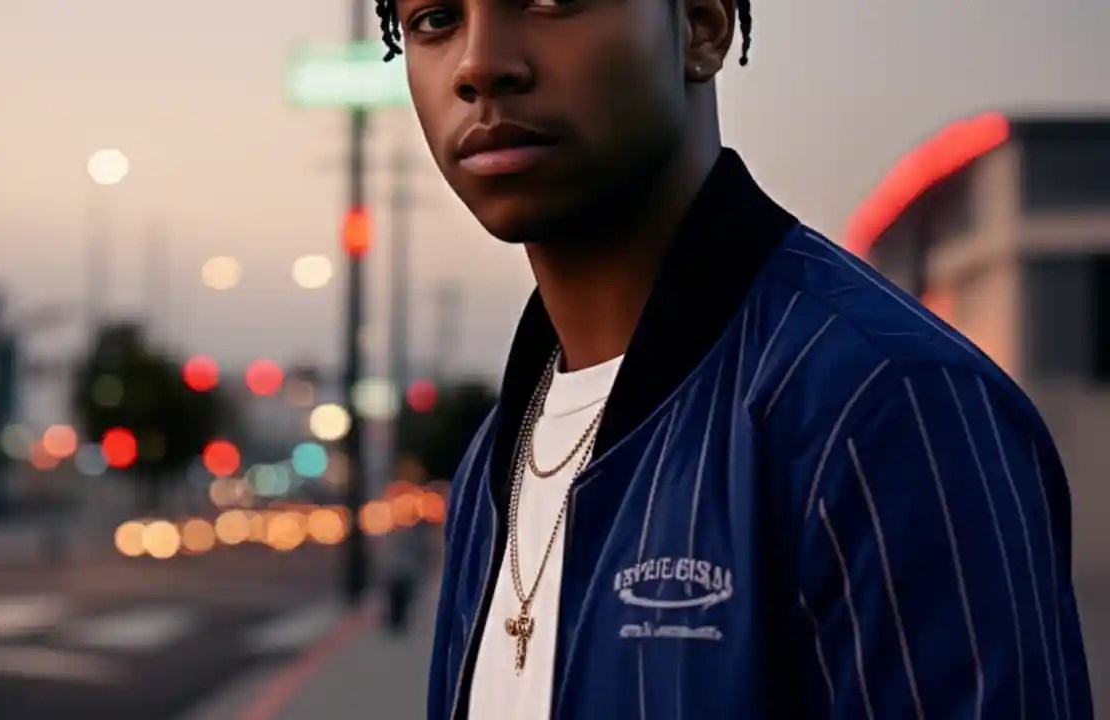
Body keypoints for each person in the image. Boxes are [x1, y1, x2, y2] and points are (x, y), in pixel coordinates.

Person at [375, 0, 1094, 717]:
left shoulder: (890, 404)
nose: (478, 65)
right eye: (435, 19)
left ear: (702, 26)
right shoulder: (491, 464)